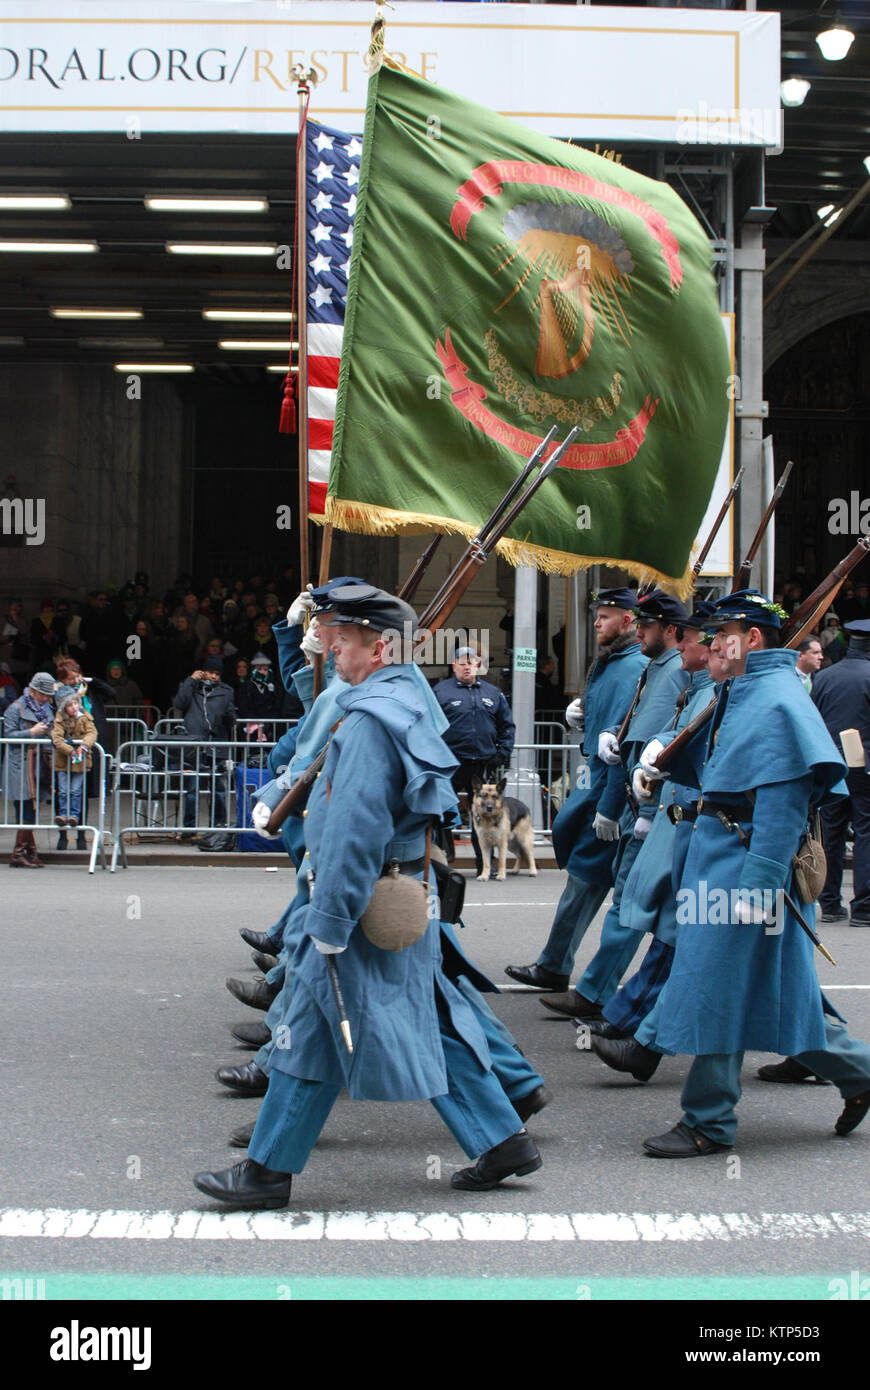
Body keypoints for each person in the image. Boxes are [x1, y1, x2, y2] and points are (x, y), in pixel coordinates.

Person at [193, 583, 542, 1208]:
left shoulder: (367, 722)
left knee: (311, 1022)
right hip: (400, 892)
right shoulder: (405, 698)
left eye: (344, 639)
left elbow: (354, 832)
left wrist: (326, 918)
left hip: (360, 903)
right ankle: (500, 1138)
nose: (332, 646)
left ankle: (267, 1172)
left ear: (379, 648)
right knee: (391, 1021)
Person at [636, 590, 870, 1156]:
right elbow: (713, 762)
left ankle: (708, 1121)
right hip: (717, 859)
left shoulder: (776, 699)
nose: (711, 642)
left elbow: (785, 804)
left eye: (722, 633)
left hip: (742, 868)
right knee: (763, 992)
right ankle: (861, 1072)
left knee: (716, 988)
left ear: (753, 639)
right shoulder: (739, 688)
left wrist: (760, 885)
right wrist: (655, 765)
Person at [530, 589, 690, 1019]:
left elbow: (644, 742)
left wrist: (623, 805)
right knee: (638, 904)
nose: (639, 630)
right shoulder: (653, 666)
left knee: (641, 904)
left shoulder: (669, 669)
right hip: (645, 804)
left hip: (657, 807)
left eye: (647, 625)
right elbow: (630, 734)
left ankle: (614, 1001)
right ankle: (600, 994)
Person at [505, 588, 645, 992]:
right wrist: (582, 716)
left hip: (615, 791)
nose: (597, 622)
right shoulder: (614, 663)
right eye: (598, 615)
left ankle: (570, 973)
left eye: (605, 616)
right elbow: (608, 724)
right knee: (590, 878)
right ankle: (559, 967)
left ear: (628, 621)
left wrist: (609, 805)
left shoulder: (633, 666)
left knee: (597, 880)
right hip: (602, 786)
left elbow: (625, 738)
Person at [433, 646, 515, 875]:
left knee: (485, 816)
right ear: (454, 666)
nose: (467, 666)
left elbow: (506, 725)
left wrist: (503, 753)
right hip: (451, 764)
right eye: (462, 662)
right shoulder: (440, 692)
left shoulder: (492, 693)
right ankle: (440, 862)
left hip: (483, 764)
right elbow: (428, 727)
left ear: (478, 665)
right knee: (439, 812)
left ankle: (485, 866)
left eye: (471, 662)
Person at [811, 617, 870, 928]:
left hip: (831, 762)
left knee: (831, 833)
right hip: (865, 765)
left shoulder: (825, 677)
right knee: (866, 831)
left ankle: (830, 902)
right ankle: (864, 905)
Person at [173, 656, 237, 832]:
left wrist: (231, 719)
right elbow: (179, 703)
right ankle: (189, 829)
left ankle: (219, 828)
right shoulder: (191, 687)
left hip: (217, 743)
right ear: (203, 672)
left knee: (219, 790)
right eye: (210, 672)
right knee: (192, 790)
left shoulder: (226, 691)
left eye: (217, 673)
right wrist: (191, 680)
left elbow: (230, 715)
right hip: (194, 745)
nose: (214, 676)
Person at [3, 670, 55, 867]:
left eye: (47, 695)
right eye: (42, 694)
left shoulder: (46, 708)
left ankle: (28, 851)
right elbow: (8, 735)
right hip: (20, 764)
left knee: (32, 809)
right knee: (24, 809)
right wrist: (31, 732)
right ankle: (19, 853)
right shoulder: (15, 709)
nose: (45, 698)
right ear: (33, 691)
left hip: (38, 763)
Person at [50, 688, 97, 846]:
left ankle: (75, 816)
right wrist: (70, 750)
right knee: (63, 791)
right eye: (69, 705)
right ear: (64, 708)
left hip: (80, 762)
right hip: (63, 762)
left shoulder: (85, 717)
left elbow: (92, 733)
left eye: (75, 703)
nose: (74, 707)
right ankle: (63, 814)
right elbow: (56, 738)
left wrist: (83, 746)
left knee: (76, 791)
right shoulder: (59, 720)